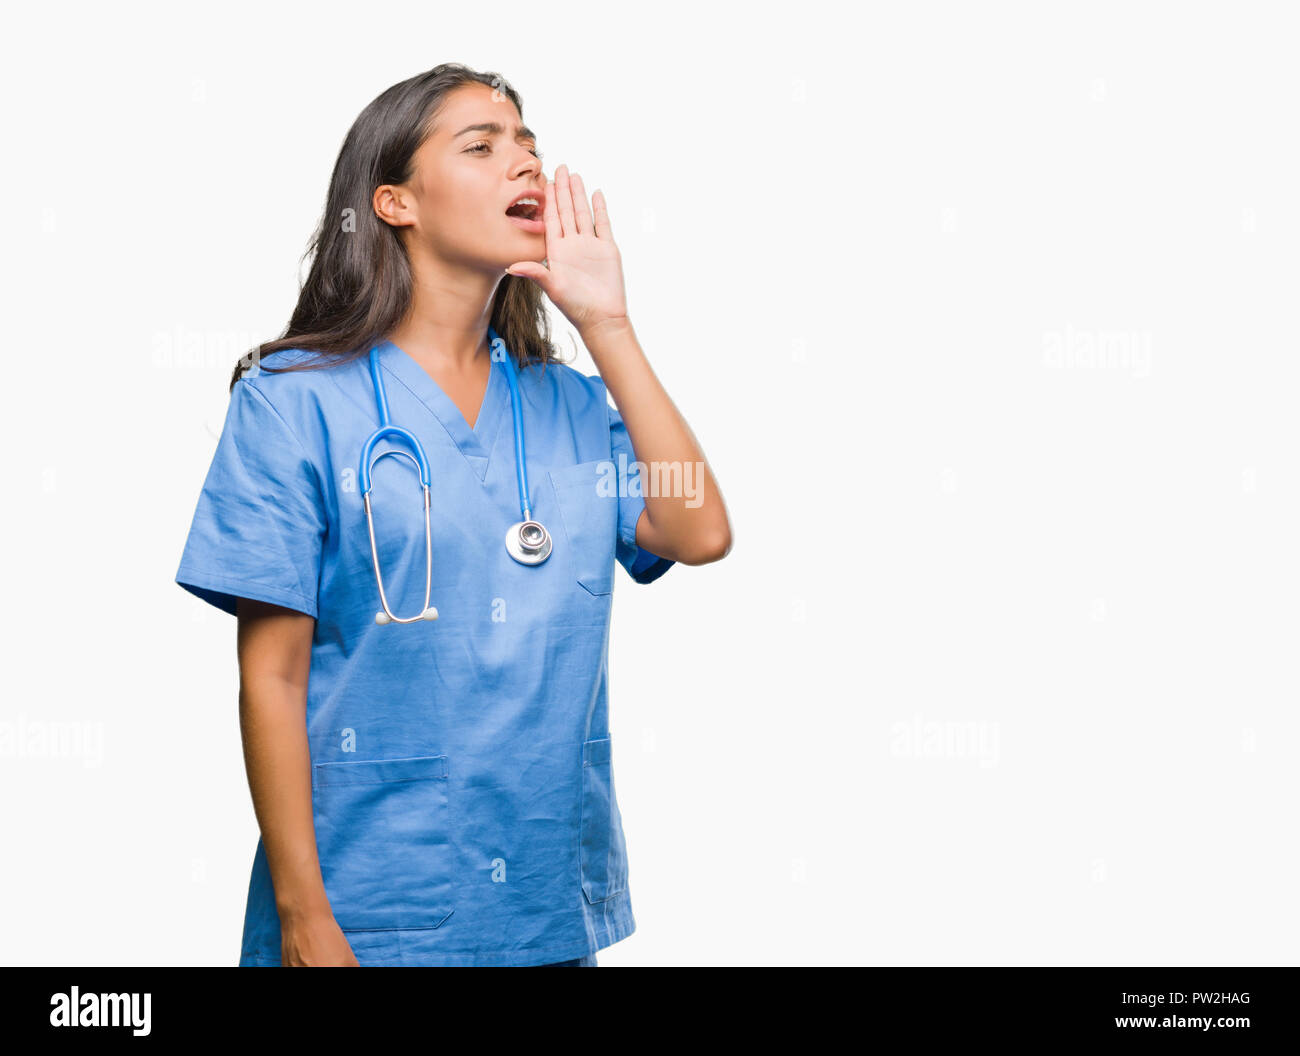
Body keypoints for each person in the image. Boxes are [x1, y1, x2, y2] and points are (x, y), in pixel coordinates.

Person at [174, 63, 731, 967]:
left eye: (530, 146)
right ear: (394, 202)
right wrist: (305, 918)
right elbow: (270, 679)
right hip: (368, 911)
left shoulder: (572, 403)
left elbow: (697, 533)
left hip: (546, 915)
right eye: (482, 145)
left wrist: (609, 326)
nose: (524, 164)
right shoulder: (293, 404)